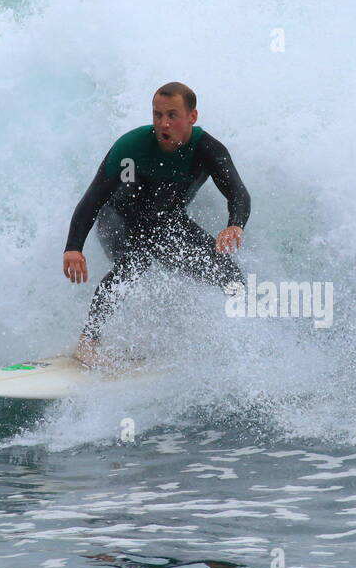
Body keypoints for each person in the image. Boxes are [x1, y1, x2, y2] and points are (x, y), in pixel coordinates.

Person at [63, 82, 251, 366]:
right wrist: (73, 248)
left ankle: (241, 341)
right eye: (157, 114)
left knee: (230, 276)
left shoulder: (208, 150)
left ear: (192, 117)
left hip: (168, 224)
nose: (163, 123)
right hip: (119, 219)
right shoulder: (132, 146)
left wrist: (235, 224)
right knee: (134, 264)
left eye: (172, 115)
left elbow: (238, 192)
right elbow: (93, 199)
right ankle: (88, 342)